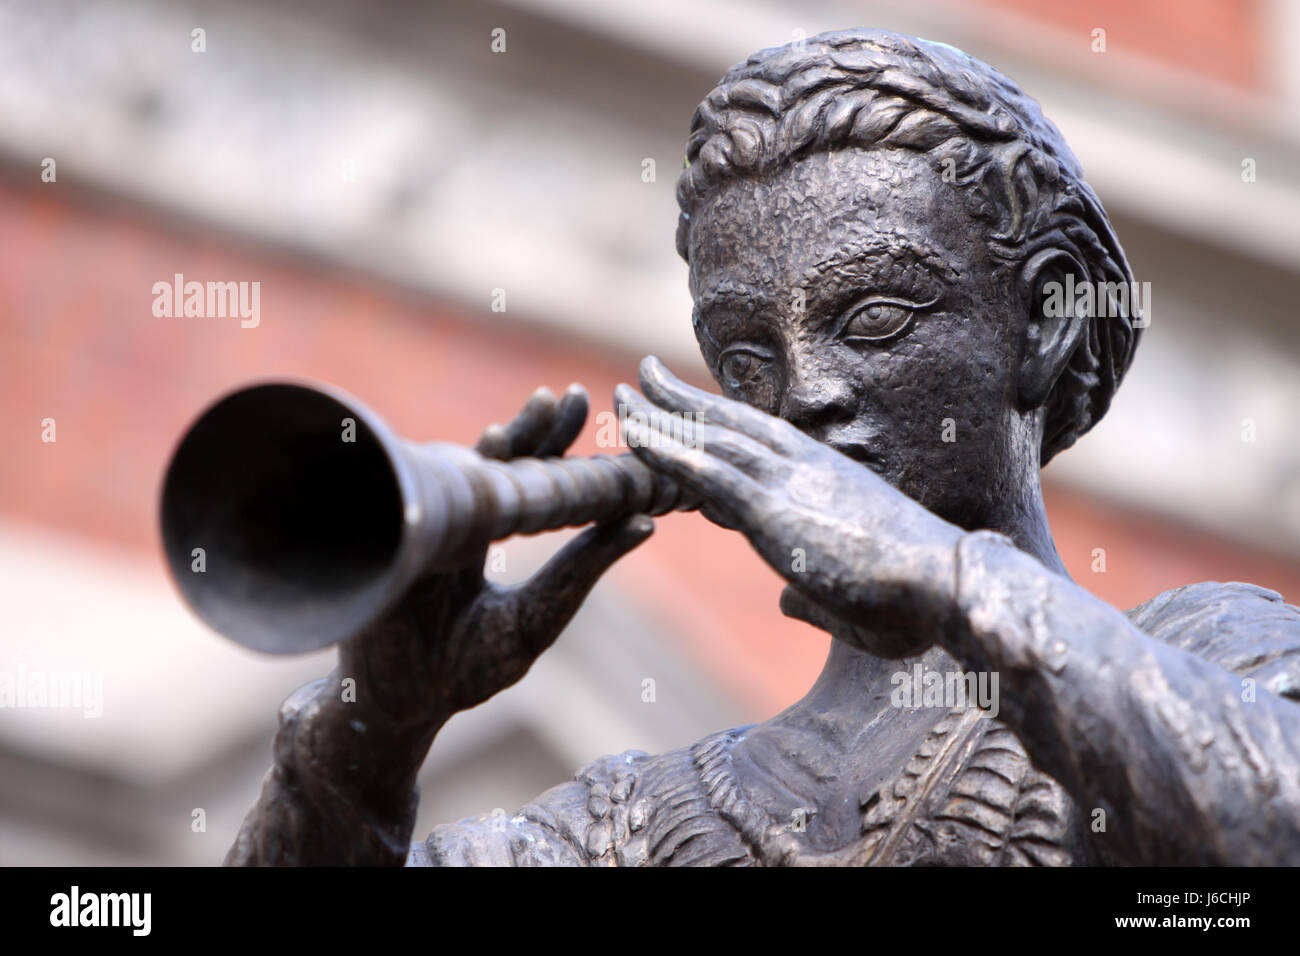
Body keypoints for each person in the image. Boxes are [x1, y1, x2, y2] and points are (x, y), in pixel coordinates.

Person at [227, 28, 1300, 867]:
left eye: (874, 317)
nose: (803, 395)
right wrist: (370, 736)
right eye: (744, 361)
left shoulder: (1210, 652)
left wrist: (934, 576)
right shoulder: (620, 830)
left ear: (1046, 324)